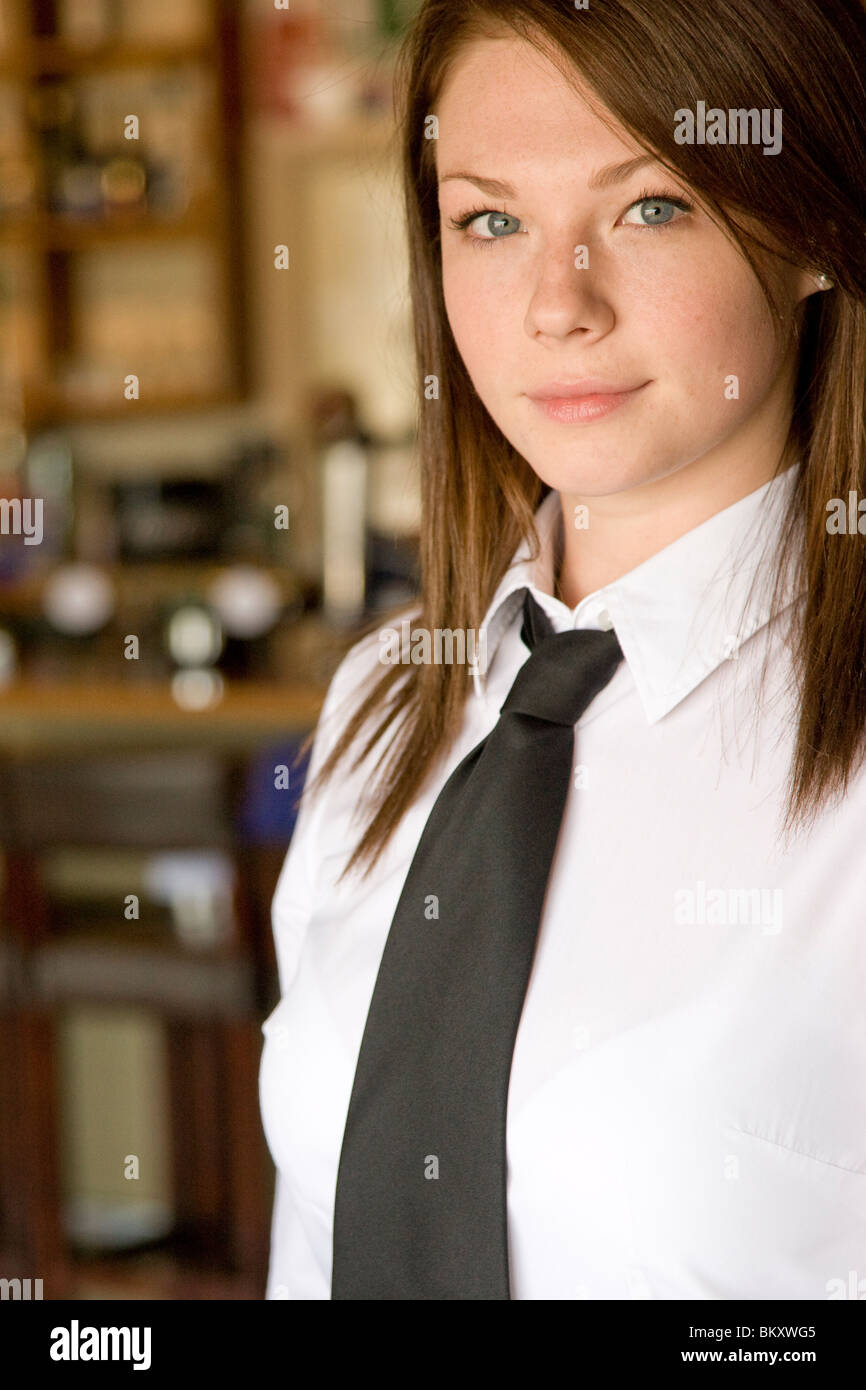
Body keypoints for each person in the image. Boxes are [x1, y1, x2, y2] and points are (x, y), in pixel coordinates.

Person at [259, 0, 866, 1300]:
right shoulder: (383, 705)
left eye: (651, 205)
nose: (556, 304)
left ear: (814, 224)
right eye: (490, 219)